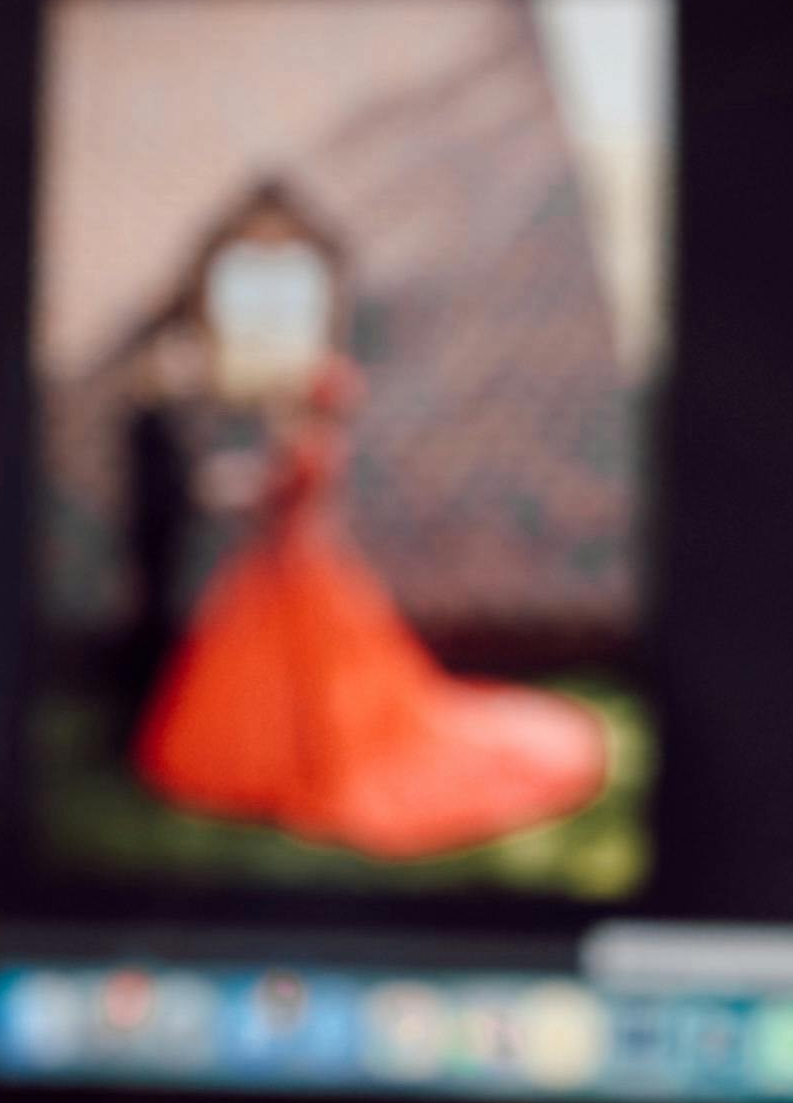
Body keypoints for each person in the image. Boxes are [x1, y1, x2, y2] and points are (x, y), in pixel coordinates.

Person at [134, 365, 609, 858]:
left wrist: (227, 491)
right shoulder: (322, 441)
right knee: (299, 674)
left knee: (314, 675)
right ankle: (296, 753)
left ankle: (309, 759)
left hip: (295, 567)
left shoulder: (309, 443)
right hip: (298, 566)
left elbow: (280, 499)